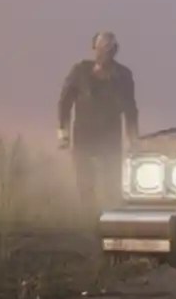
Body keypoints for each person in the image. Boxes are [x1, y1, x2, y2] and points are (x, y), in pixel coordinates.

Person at [58, 31, 139, 216]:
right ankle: (89, 220)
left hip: (110, 135)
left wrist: (133, 137)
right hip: (84, 135)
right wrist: (63, 132)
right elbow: (65, 102)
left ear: (115, 51)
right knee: (85, 183)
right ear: (95, 49)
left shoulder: (123, 76)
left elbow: (130, 109)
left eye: (109, 49)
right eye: (101, 48)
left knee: (112, 182)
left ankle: (114, 220)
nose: (105, 53)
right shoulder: (80, 72)